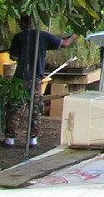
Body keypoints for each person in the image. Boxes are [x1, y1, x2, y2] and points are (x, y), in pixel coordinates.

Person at [6, 15, 77, 147]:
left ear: (23, 22)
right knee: (35, 108)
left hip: (20, 77)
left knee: (15, 108)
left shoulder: (19, 37)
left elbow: (13, 56)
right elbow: (65, 44)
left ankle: (10, 139)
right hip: (36, 78)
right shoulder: (43, 36)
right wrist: (74, 35)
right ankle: (33, 139)